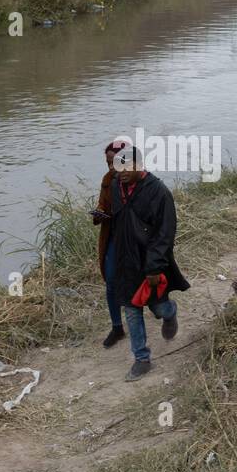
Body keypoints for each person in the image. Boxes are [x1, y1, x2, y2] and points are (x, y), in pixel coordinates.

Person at [107, 145, 190, 381]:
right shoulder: (115, 186)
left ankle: (170, 311)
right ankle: (142, 358)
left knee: (157, 306)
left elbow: (165, 234)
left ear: (139, 166)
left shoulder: (159, 192)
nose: (121, 172)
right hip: (125, 261)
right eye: (117, 167)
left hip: (150, 262)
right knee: (131, 310)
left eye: (127, 167)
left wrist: (154, 266)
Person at [93, 139, 129, 349]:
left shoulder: (141, 182)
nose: (111, 168)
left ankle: (161, 309)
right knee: (111, 282)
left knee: (142, 278)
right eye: (107, 163)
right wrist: (100, 214)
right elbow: (102, 205)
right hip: (113, 237)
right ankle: (117, 327)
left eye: (114, 162)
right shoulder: (108, 180)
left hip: (134, 239)